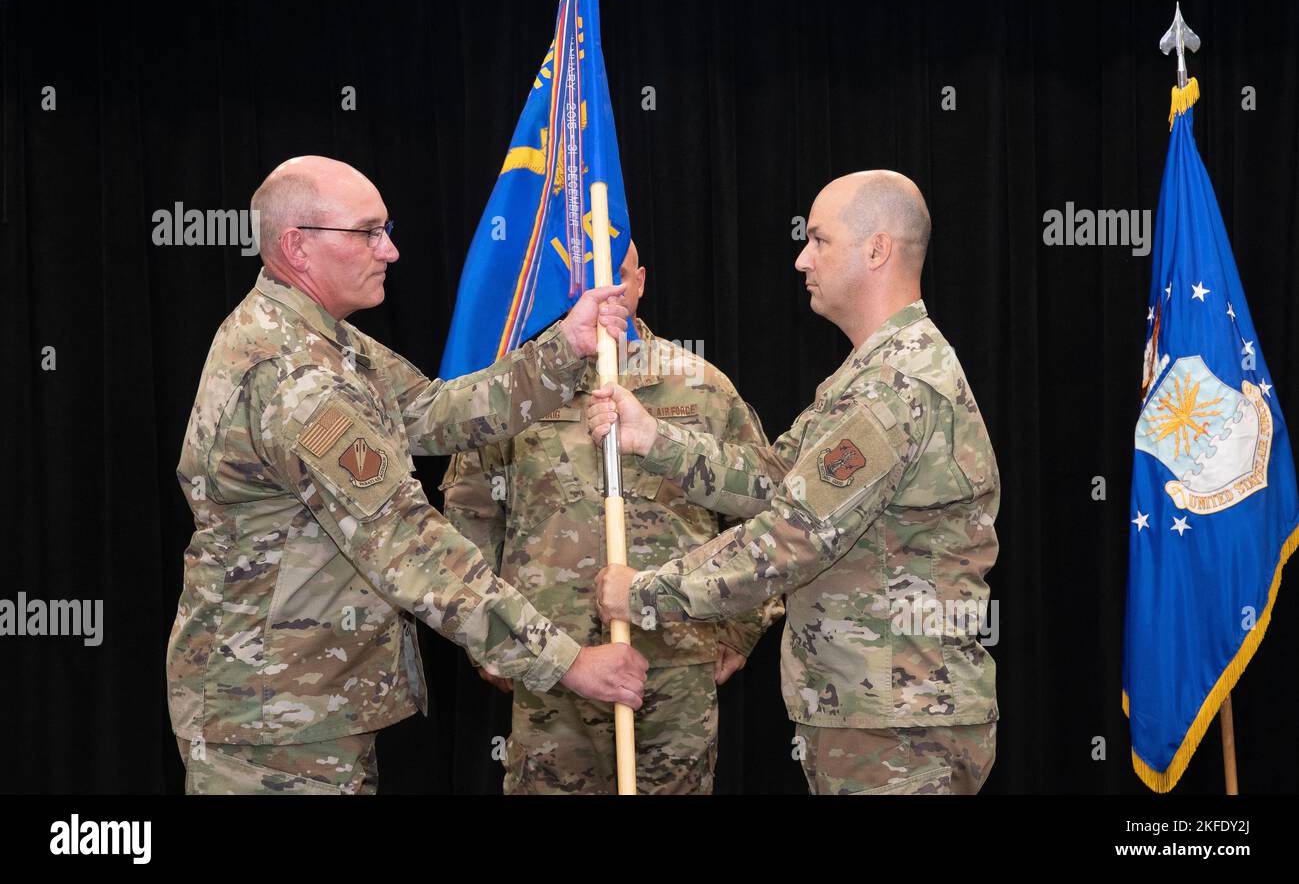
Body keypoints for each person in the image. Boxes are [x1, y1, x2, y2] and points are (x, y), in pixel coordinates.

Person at [166, 155, 648, 795]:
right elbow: (407, 541)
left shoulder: (327, 343)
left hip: (304, 703)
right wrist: (566, 662)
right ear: (297, 247)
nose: (389, 250)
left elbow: (434, 411)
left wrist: (568, 349)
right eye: (368, 232)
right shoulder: (294, 374)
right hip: (271, 720)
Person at [588, 170, 1000, 795]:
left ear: (876, 249)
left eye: (818, 240)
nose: (801, 257)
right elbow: (780, 481)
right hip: (875, 710)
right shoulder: (871, 374)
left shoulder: (896, 386)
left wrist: (642, 593)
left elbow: (790, 537)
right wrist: (654, 440)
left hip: (899, 723)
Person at [441, 240, 783, 794]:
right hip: (551, 655)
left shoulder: (702, 387)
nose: (602, 295)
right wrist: (489, 638)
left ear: (641, 282)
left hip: (673, 660)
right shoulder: (518, 388)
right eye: (583, 281)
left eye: (616, 277)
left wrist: (743, 627)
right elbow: (470, 509)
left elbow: (768, 508)